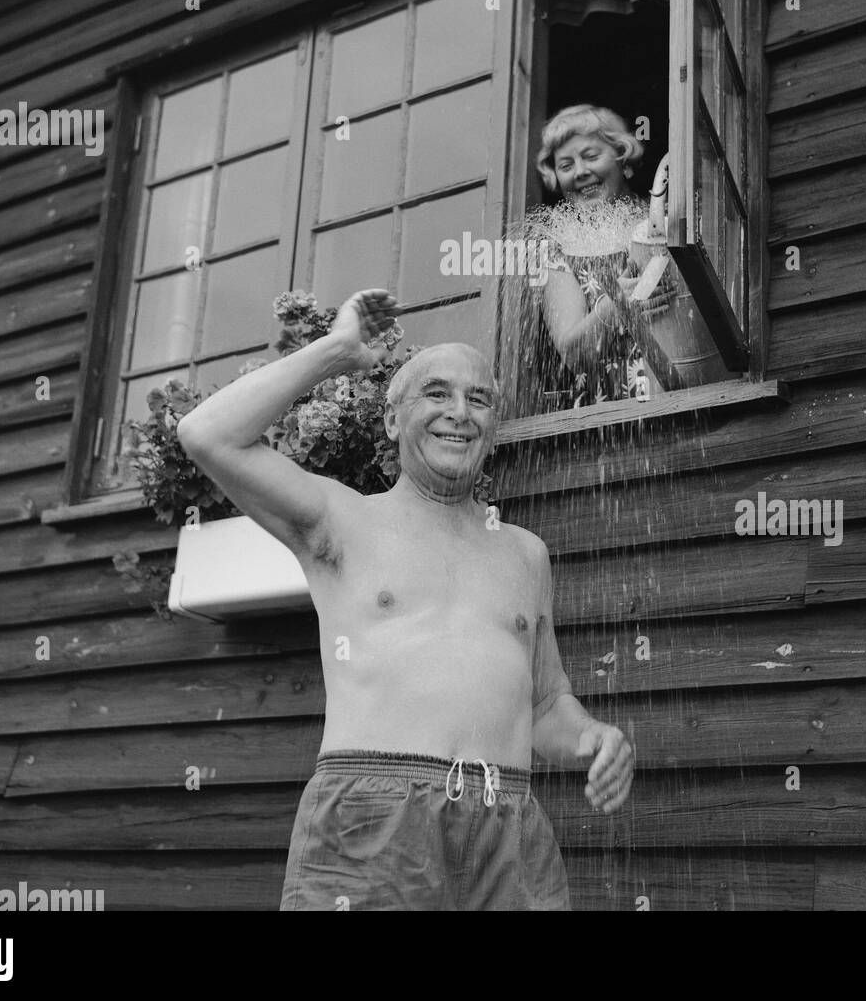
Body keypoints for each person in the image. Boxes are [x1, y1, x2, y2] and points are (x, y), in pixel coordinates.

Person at [176, 289, 635, 911]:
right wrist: (336, 352)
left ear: (494, 427)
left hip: (508, 826)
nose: (459, 412)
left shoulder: (525, 553)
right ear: (393, 420)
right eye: (437, 393)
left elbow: (546, 703)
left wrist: (592, 739)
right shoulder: (339, 521)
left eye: (479, 399)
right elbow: (207, 434)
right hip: (375, 817)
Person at [530, 104, 672, 409]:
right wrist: (615, 306)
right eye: (566, 165)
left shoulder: (666, 222)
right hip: (607, 417)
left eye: (591, 156)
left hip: (683, 396)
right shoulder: (557, 251)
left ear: (623, 159)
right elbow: (572, 356)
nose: (580, 171)